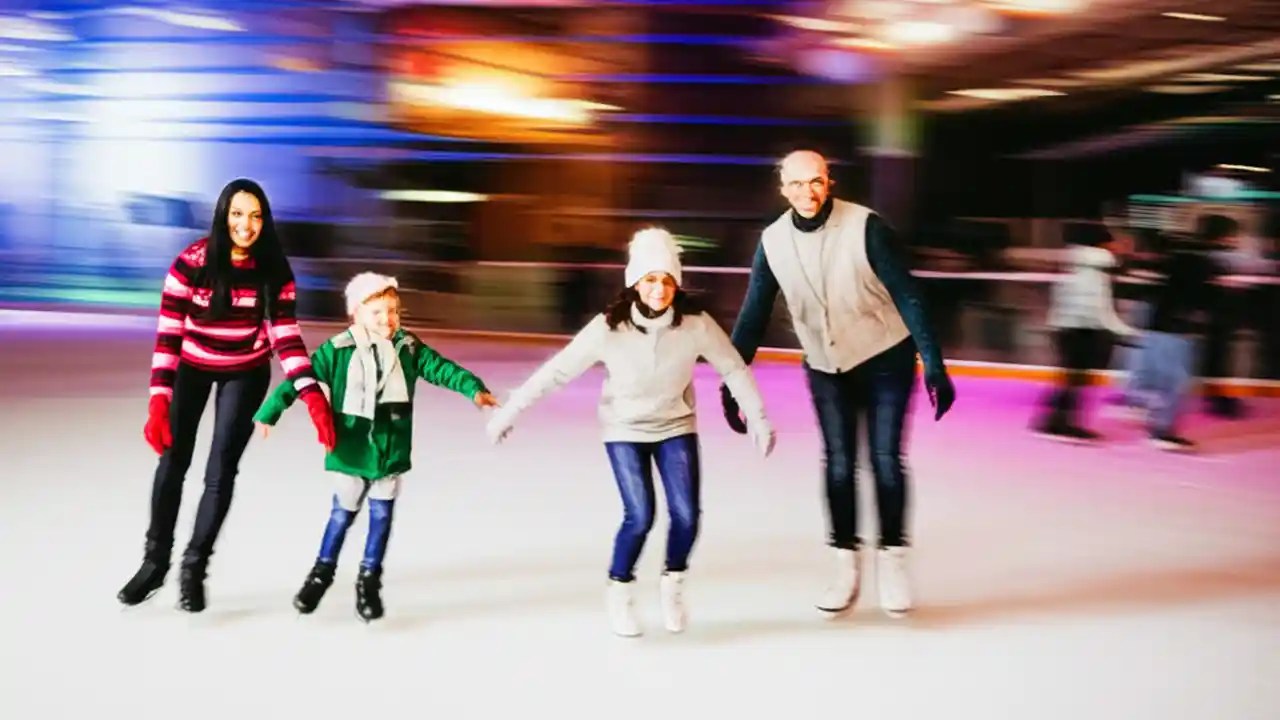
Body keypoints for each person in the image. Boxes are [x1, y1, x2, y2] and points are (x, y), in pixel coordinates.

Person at [485, 227, 774, 637]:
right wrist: (510, 410)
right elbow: (557, 372)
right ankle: (619, 588)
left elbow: (732, 367)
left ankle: (673, 582)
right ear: (636, 281)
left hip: (675, 425)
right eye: (651, 279)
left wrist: (758, 416)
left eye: (667, 280)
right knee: (640, 515)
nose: (660, 288)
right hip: (624, 429)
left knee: (687, 516)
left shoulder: (695, 324)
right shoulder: (608, 327)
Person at [721, 149, 955, 618]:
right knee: (839, 463)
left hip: (885, 357)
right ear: (781, 188)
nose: (806, 192)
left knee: (886, 459)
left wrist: (932, 360)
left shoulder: (867, 227)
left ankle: (893, 561)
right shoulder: (772, 242)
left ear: (829, 182)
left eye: (815, 182)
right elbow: (753, 315)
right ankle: (844, 563)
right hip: (826, 365)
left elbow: (909, 294)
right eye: (796, 184)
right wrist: (732, 379)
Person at [117, 178, 336, 613]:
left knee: (220, 472)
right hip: (192, 368)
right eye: (237, 213)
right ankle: (155, 562)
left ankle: (193, 569)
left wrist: (311, 395)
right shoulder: (191, 263)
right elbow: (168, 337)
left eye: (255, 215)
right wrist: (159, 400)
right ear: (223, 215)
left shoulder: (274, 270)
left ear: (264, 221)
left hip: (245, 372)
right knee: (172, 463)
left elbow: (286, 338)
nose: (246, 224)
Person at [254, 272, 499, 621]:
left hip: (389, 450)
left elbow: (441, 368)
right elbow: (301, 378)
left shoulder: (408, 347)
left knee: (381, 517)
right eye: (378, 312)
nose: (388, 319)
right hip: (351, 449)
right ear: (356, 313)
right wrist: (270, 411)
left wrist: (473, 388)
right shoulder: (337, 350)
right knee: (343, 513)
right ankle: (321, 573)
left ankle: (369, 580)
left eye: (393, 311)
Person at [1036, 219, 1135, 442]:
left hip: (1064, 327)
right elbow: (1099, 308)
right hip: (1081, 329)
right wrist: (1125, 332)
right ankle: (1063, 424)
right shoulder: (1096, 271)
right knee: (1077, 379)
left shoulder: (1074, 264)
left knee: (1071, 377)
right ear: (1102, 244)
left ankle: (1052, 421)